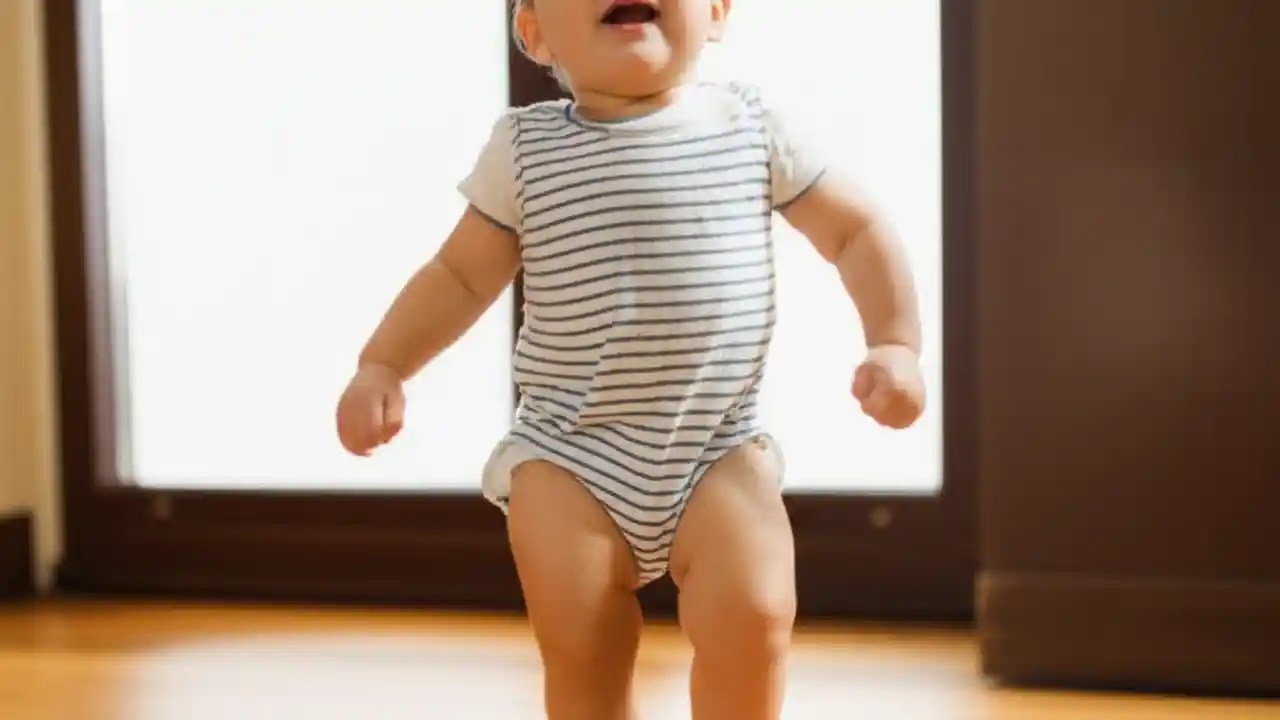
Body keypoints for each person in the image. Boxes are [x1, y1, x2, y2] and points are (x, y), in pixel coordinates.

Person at [336, 1, 925, 718]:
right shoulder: (526, 152)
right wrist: (384, 364)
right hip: (569, 454)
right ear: (535, 33)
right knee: (584, 644)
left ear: (715, 12)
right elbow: (458, 276)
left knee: (757, 613)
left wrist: (894, 341)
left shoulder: (748, 126)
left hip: (717, 445)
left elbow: (855, 229)